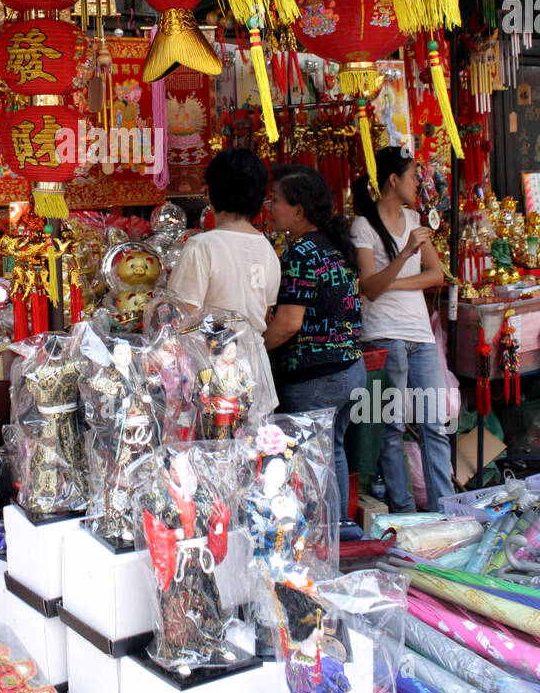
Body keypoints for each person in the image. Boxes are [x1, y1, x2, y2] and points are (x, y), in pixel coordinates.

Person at [350, 145, 453, 513]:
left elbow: (436, 275)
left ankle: (444, 511)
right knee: (390, 430)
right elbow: (369, 287)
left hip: (420, 336)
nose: (418, 183)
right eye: (412, 176)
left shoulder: (415, 221)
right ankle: (404, 511)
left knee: (434, 426)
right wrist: (405, 255)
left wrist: (392, 279)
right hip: (383, 335)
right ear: (393, 180)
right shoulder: (363, 226)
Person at [263, 165, 365, 524]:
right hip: (351, 369)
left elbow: (289, 324)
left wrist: (256, 350)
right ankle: (335, 537)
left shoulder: (301, 254)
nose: (270, 207)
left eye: (275, 201)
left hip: (317, 378)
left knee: (308, 462)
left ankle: (319, 542)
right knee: (331, 453)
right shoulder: (335, 245)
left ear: (299, 210)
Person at [167, 148, 280, 408]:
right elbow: (263, 314)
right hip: (257, 373)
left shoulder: (202, 246)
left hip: (214, 377)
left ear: (209, 193)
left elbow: (180, 320)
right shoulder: (267, 249)